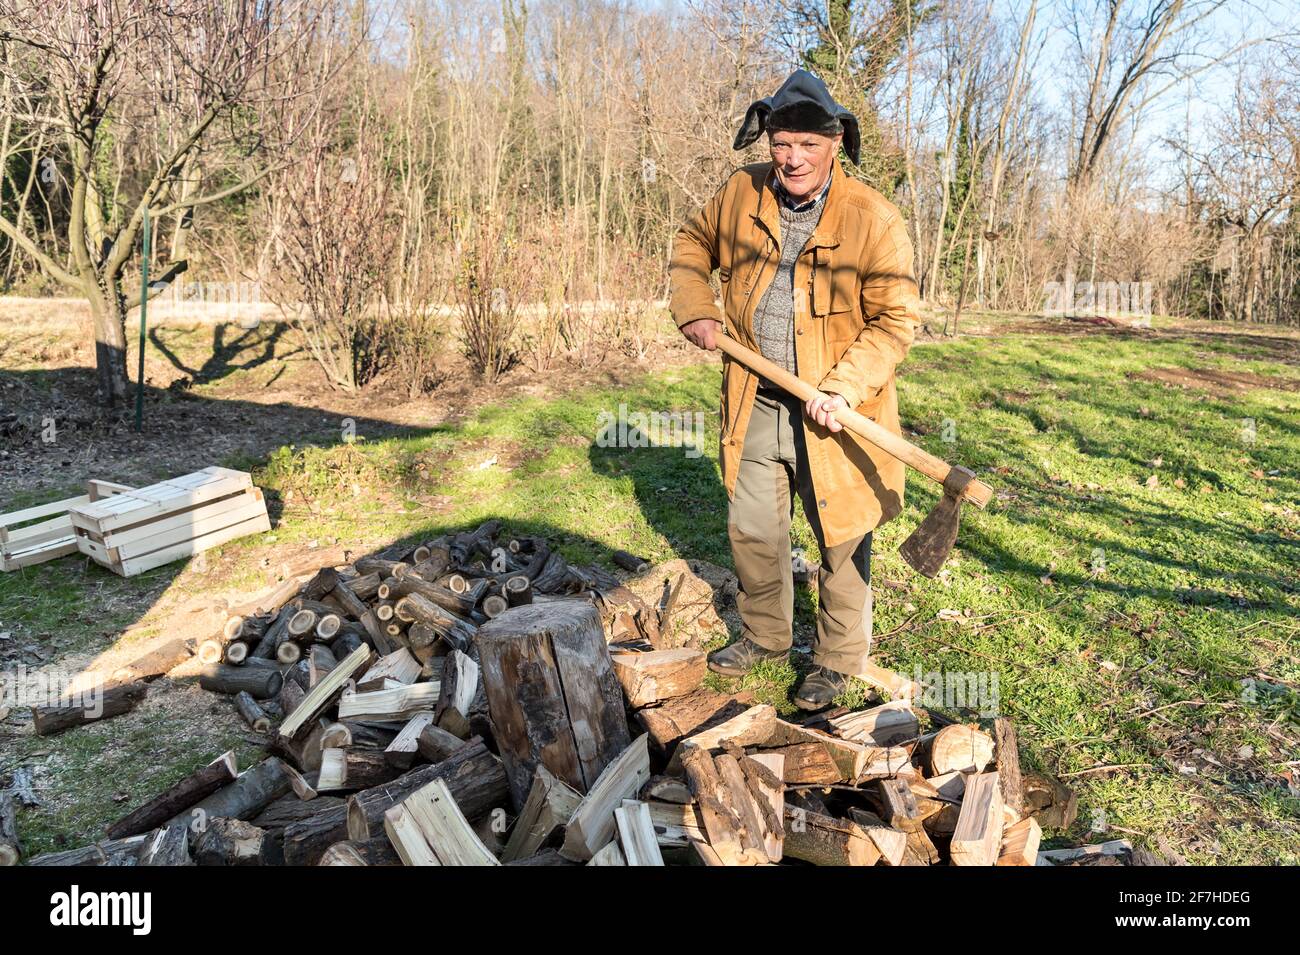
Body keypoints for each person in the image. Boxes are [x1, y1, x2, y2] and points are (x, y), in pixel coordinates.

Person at [667, 69, 920, 710]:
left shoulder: (874, 220)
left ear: (835, 146)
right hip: (755, 392)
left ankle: (837, 660)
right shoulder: (741, 193)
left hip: (837, 410)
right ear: (768, 140)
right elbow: (692, 243)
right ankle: (766, 637)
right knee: (753, 528)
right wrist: (696, 304)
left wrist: (842, 388)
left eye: (809, 144)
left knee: (841, 533)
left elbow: (897, 321)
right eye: (783, 142)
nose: (793, 157)